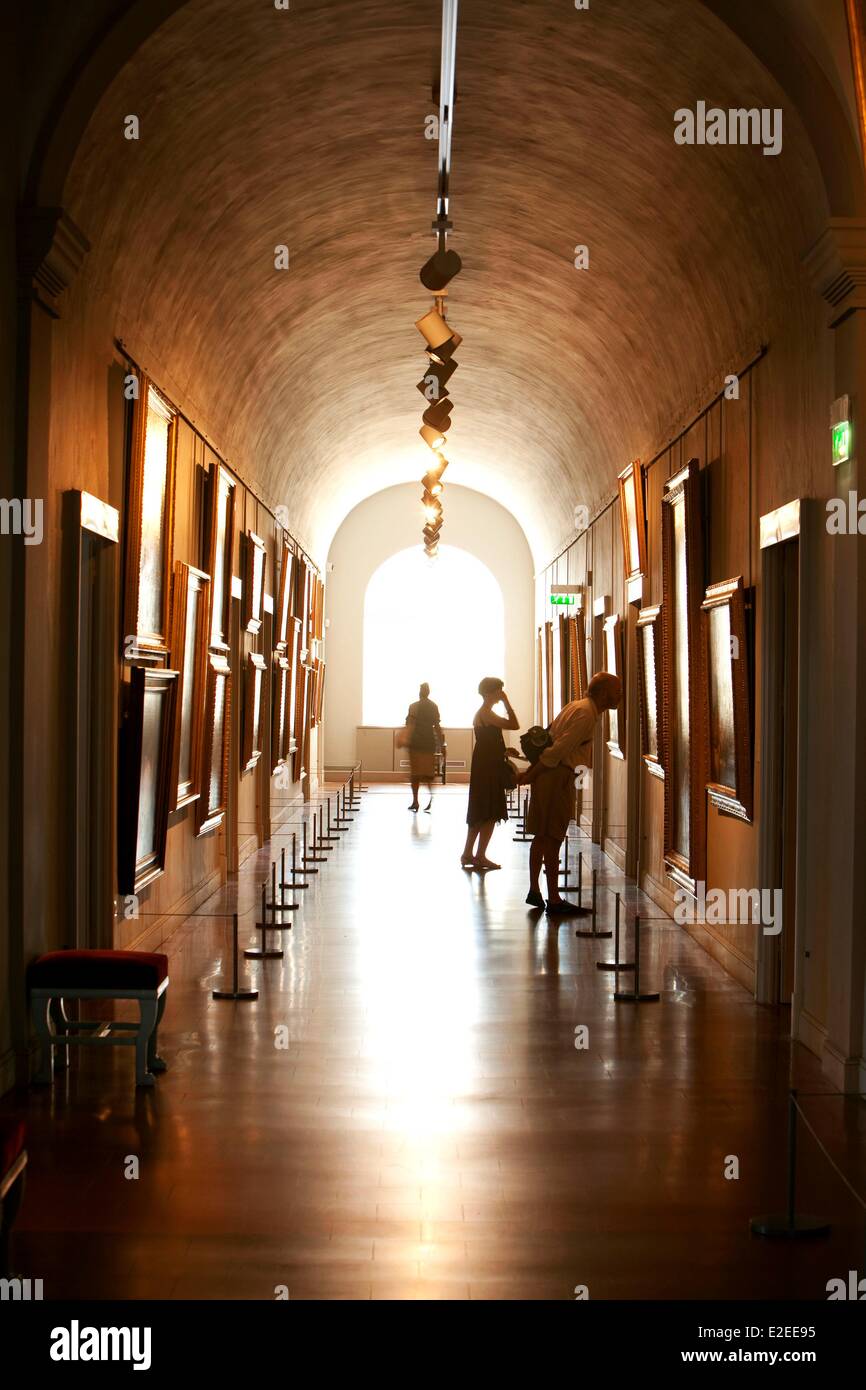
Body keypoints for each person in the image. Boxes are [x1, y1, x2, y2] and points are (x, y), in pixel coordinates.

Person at [518, 671, 622, 914]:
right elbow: (556, 751)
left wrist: (532, 774)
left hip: (552, 776)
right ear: (604, 692)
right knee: (552, 837)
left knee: (543, 836)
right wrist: (529, 776)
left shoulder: (576, 706)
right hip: (557, 777)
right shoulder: (586, 714)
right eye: (616, 691)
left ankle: (537, 891)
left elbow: (552, 738)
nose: (619, 696)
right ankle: (553, 899)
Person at [461, 677, 522, 871]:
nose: (501, 693)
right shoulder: (486, 713)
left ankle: (469, 853)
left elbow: (490, 742)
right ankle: (479, 855)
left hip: (485, 762)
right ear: (489, 692)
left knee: (481, 810)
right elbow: (514, 724)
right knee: (489, 811)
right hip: (488, 766)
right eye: (499, 690)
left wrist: (505, 750)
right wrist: (506, 702)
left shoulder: (484, 713)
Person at [404, 683, 445, 812]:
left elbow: (409, 725)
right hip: (428, 743)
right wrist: (442, 744)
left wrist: (404, 739)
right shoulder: (433, 707)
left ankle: (415, 801)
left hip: (415, 743)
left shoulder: (413, 706)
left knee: (415, 774)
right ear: (428, 692)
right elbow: (437, 727)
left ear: (420, 692)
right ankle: (430, 796)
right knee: (428, 774)